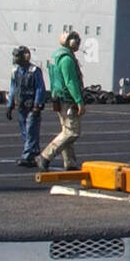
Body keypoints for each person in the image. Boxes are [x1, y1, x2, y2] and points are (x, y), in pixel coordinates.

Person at [38, 30, 85, 171]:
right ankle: (45, 156)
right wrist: (79, 101)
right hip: (67, 100)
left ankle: (69, 163)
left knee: (66, 130)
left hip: (58, 98)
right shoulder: (67, 59)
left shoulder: (56, 56)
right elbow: (70, 81)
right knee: (72, 132)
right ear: (71, 42)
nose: (77, 43)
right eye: (76, 40)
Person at [6, 46, 46, 167]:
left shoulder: (35, 71)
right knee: (25, 132)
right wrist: (10, 105)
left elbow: (40, 88)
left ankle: (27, 156)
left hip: (31, 106)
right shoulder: (16, 71)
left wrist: (37, 104)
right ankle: (34, 154)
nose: (15, 58)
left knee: (30, 131)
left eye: (18, 55)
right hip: (21, 106)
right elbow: (13, 88)